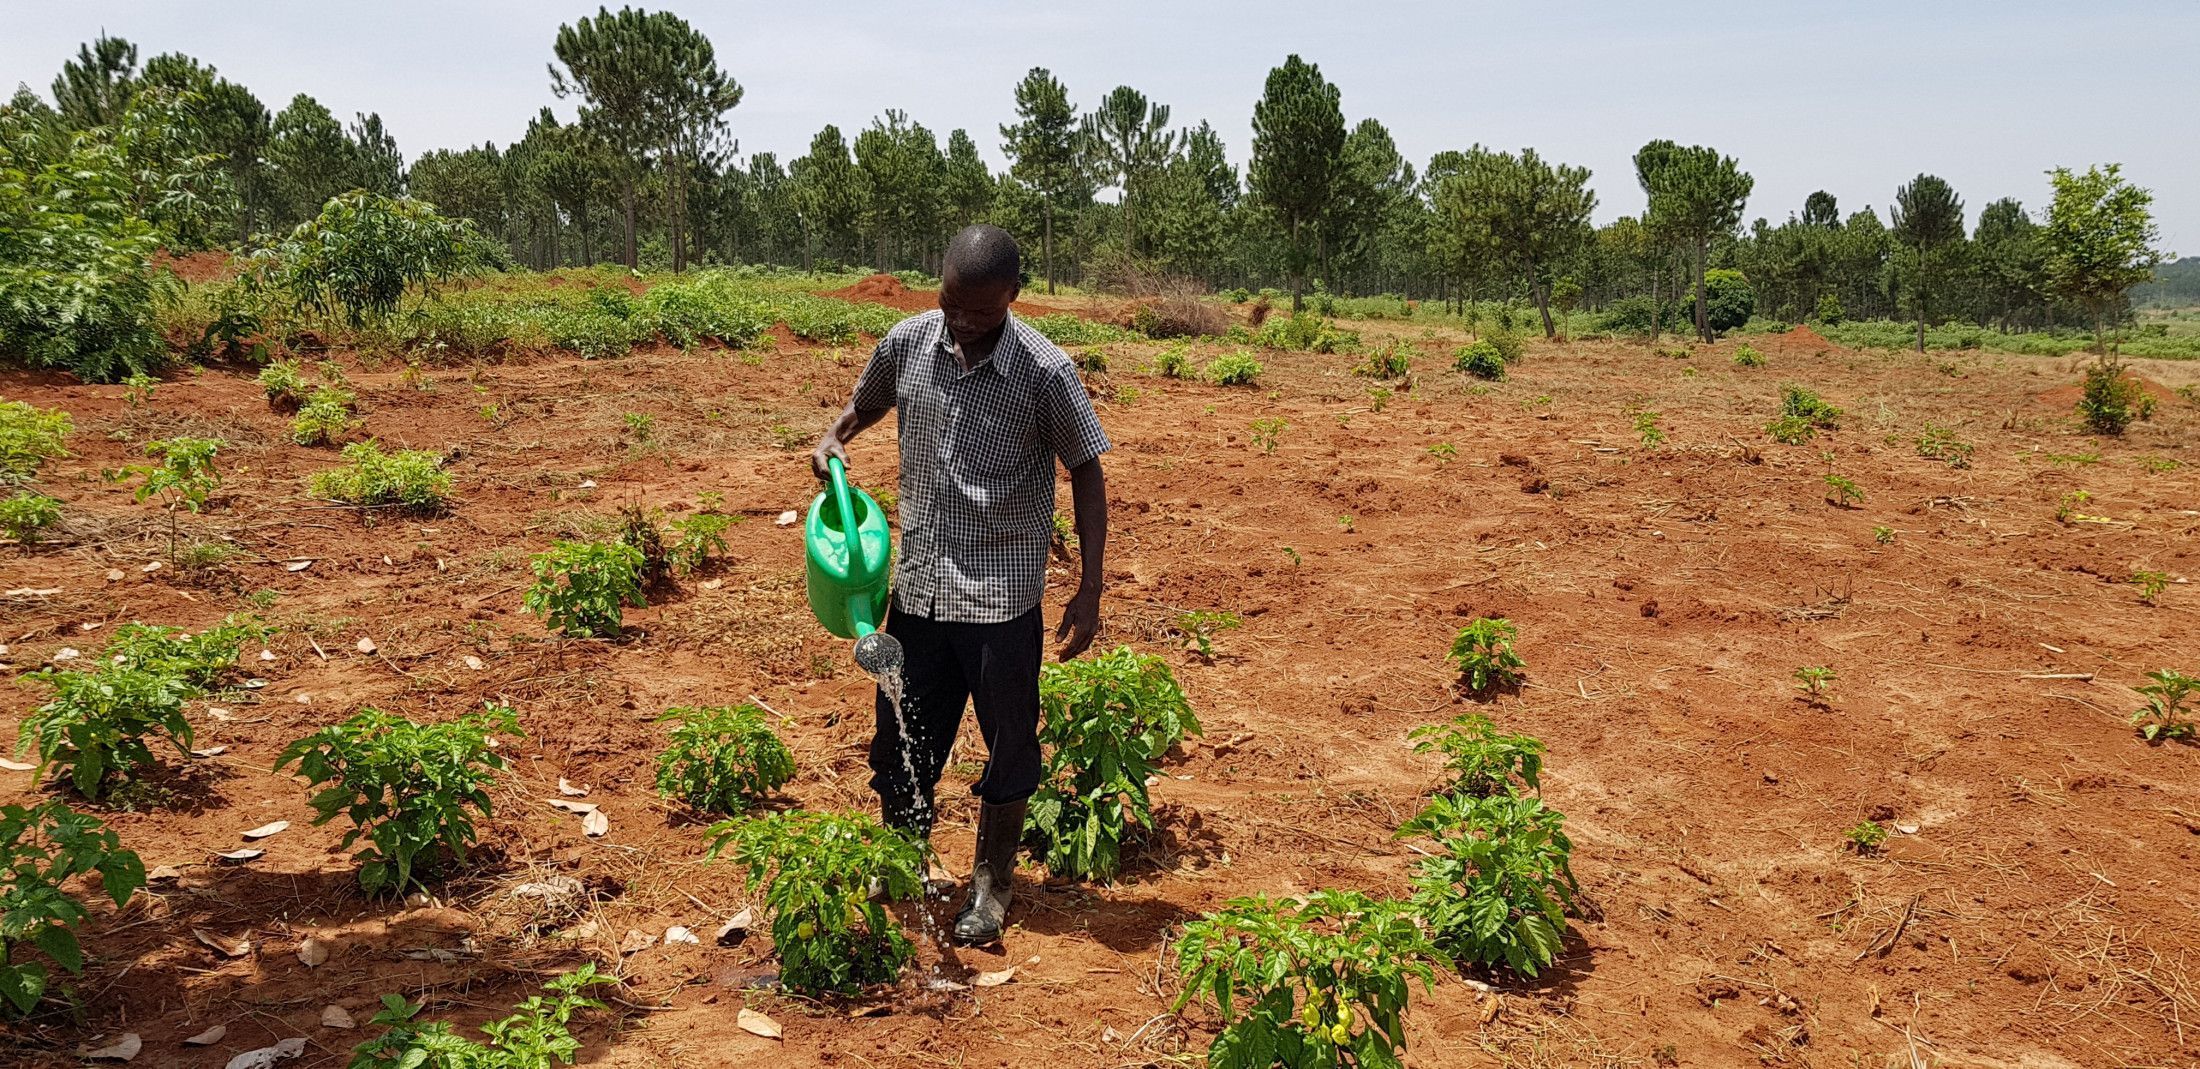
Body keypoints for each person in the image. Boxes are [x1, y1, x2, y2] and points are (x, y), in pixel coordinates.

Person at [811, 224, 1110, 945]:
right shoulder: (909, 341)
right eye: (951, 304)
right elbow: (869, 401)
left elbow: (1089, 471)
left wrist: (1091, 586)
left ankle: (991, 884)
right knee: (902, 735)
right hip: (917, 593)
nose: (962, 323)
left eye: (979, 311)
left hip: (1002, 600)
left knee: (1010, 746)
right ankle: (905, 857)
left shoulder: (1044, 373)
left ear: (1013, 295)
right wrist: (835, 435)